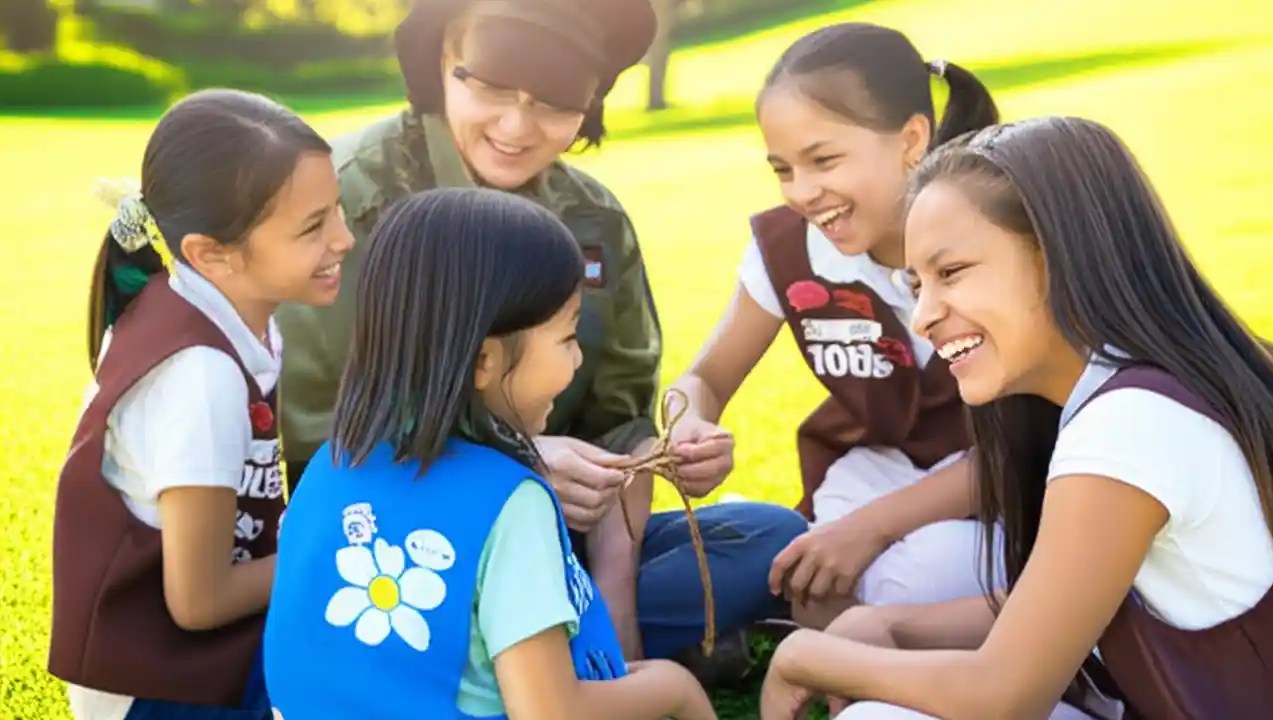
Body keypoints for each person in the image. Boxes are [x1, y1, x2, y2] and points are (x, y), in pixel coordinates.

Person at [274, 0, 807, 671]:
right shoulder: (349, 204)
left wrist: (637, 514)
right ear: (442, 60)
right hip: (386, 540)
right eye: (492, 89)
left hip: (552, 535)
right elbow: (310, 437)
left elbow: (619, 418)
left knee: (772, 539)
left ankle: (565, 639)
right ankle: (550, 648)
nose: (516, 127)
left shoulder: (595, 222)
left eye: (554, 103)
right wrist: (505, 465)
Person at [759, 116, 1273, 720]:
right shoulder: (1148, 385)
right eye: (915, 283)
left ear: (1061, 255)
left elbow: (1003, 695)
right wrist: (892, 626)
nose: (924, 316)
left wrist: (807, 657)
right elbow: (1075, 600)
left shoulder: (1132, 426)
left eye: (950, 273)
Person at [263, 188, 717, 720]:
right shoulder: (510, 501)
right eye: (568, 337)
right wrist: (674, 687)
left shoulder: (333, 465)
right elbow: (550, 712)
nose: (576, 360)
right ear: (483, 361)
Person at [665, 23, 1001, 629]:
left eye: (823, 160)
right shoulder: (789, 250)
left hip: (1002, 487)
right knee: (818, 580)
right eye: (782, 169)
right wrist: (687, 422)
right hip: (867, 475)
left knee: (916, 576)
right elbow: (706, 377)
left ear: (911, 140)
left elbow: (1037, 443)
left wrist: (869, 529)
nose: (802, 192)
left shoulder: (997, 236)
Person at [47, 88, 354, 719]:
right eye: (313, 226)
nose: (345, 238)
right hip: (157, 682)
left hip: (191, 654)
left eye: (338, 210)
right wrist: (331, 554)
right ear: (211, 254)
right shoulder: (201, 376)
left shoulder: (226, 313)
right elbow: (200, 600)